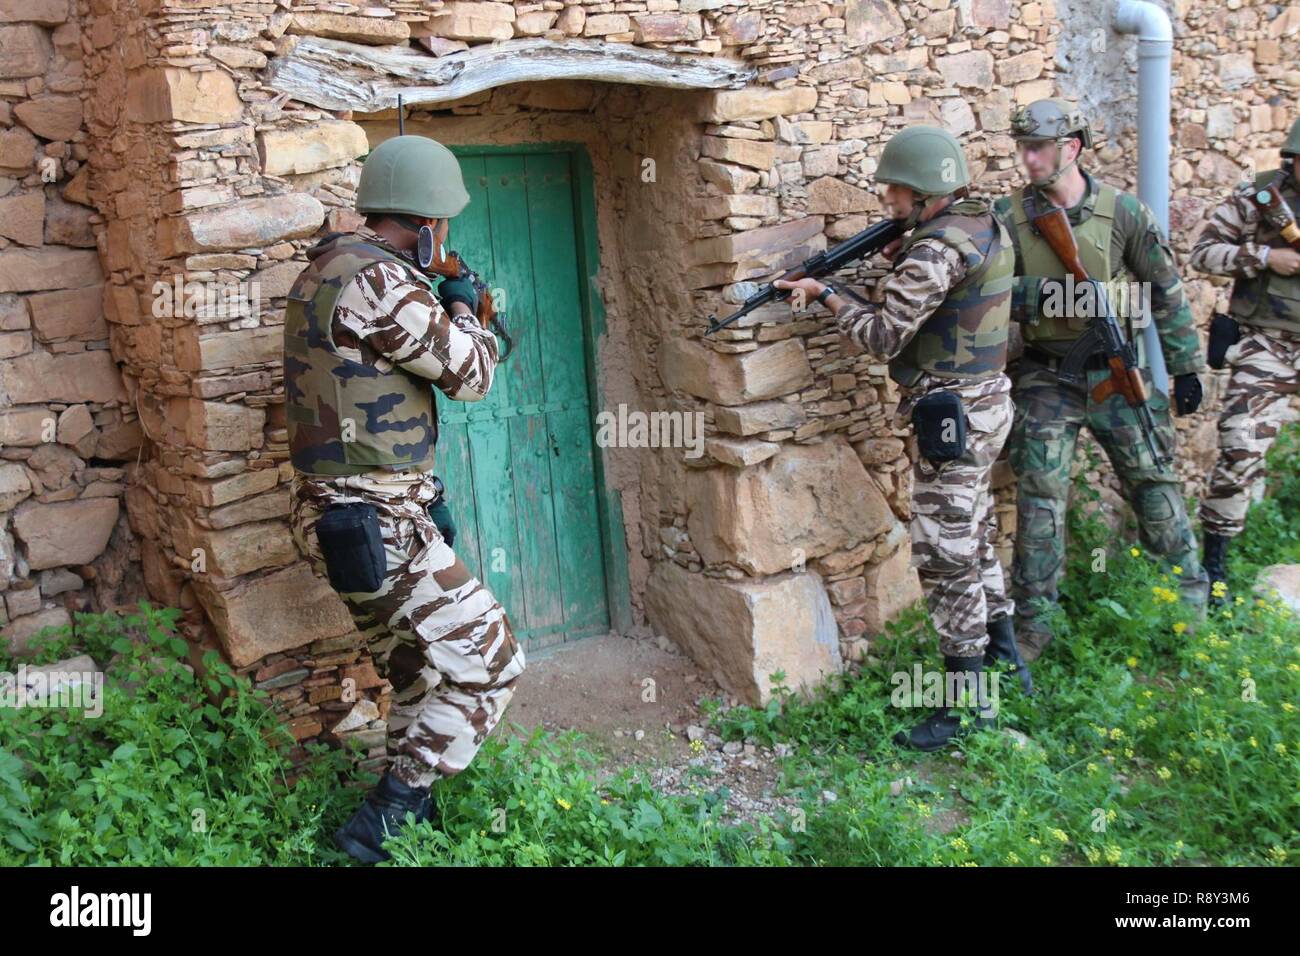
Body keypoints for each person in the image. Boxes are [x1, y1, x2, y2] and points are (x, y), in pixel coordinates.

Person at [283, 134, 525, 863]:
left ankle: (403, 825)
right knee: (492, 662)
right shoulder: (381, 283)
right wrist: (469, 311)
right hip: (377, 520)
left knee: (418, 670)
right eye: (442, 225)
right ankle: (385, 823)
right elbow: (473, 376)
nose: (445, 238)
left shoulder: (322, 270)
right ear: (425, 226)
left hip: (347, 516)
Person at [777, 125, 1027, 752]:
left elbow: (885, 337)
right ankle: (1008, 662)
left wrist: (828, 295)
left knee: (945, 557)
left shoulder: (934, 249)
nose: (887, 200)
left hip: (955, 417)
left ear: (924, 191)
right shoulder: (983, 221)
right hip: (989, 402)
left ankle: (968, 706)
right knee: (976, 538)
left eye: (895, 190)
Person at [994, 98, 1209, 660]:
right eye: (1023, 147)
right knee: (1040, 496)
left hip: (1117, 371)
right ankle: (1035, 626)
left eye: (1038, 147)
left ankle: (1188, 608)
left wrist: (1186, 367)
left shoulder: (1125, 212)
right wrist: (1043, 294)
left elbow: (1166, 290)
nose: (1028, 159)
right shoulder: (1009, 215)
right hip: (1047, 375)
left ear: (1072, 147)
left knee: (1153, 479)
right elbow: (982, 292)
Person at [1190, 117, 1300, 601]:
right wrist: (1262, 257)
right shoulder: (1261, 198)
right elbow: (1203, 254)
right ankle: (1215, 568)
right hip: (1267, 344)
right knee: (1239, 451)